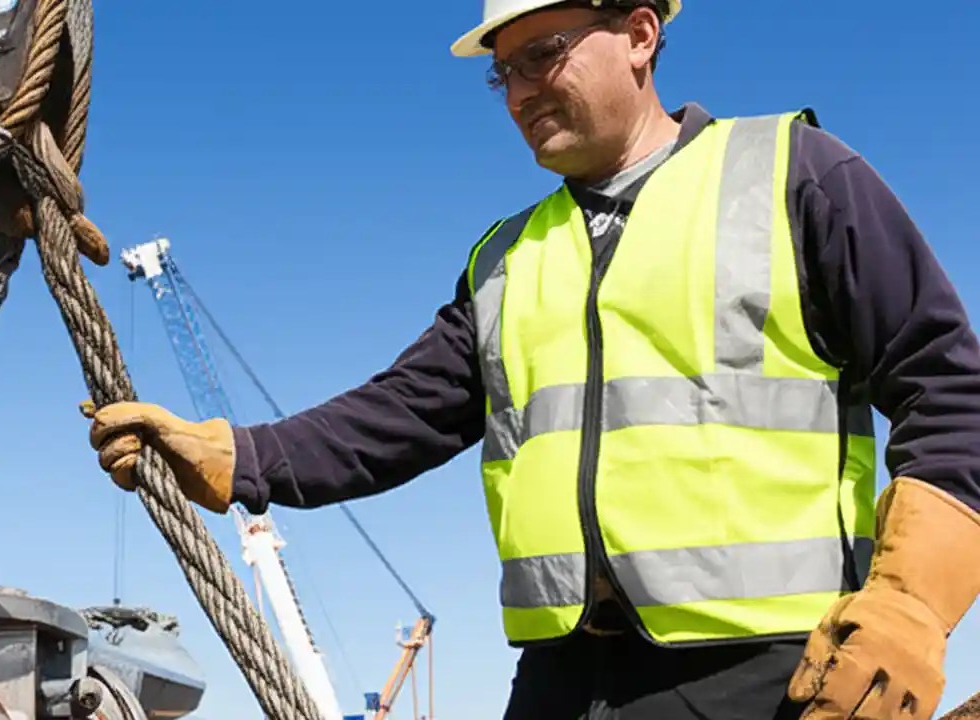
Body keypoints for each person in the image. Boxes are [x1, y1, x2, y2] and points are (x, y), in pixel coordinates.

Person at [86, 1, 980, 717]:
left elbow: (951, 393)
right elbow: (401, 412)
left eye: (543, 55)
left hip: (765, 679)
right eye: (502, 72)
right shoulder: (505, 259)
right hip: (559, 681)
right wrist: (238, 456)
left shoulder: (793, 177)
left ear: (640, 34)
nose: (518, 93)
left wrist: (911, 604)